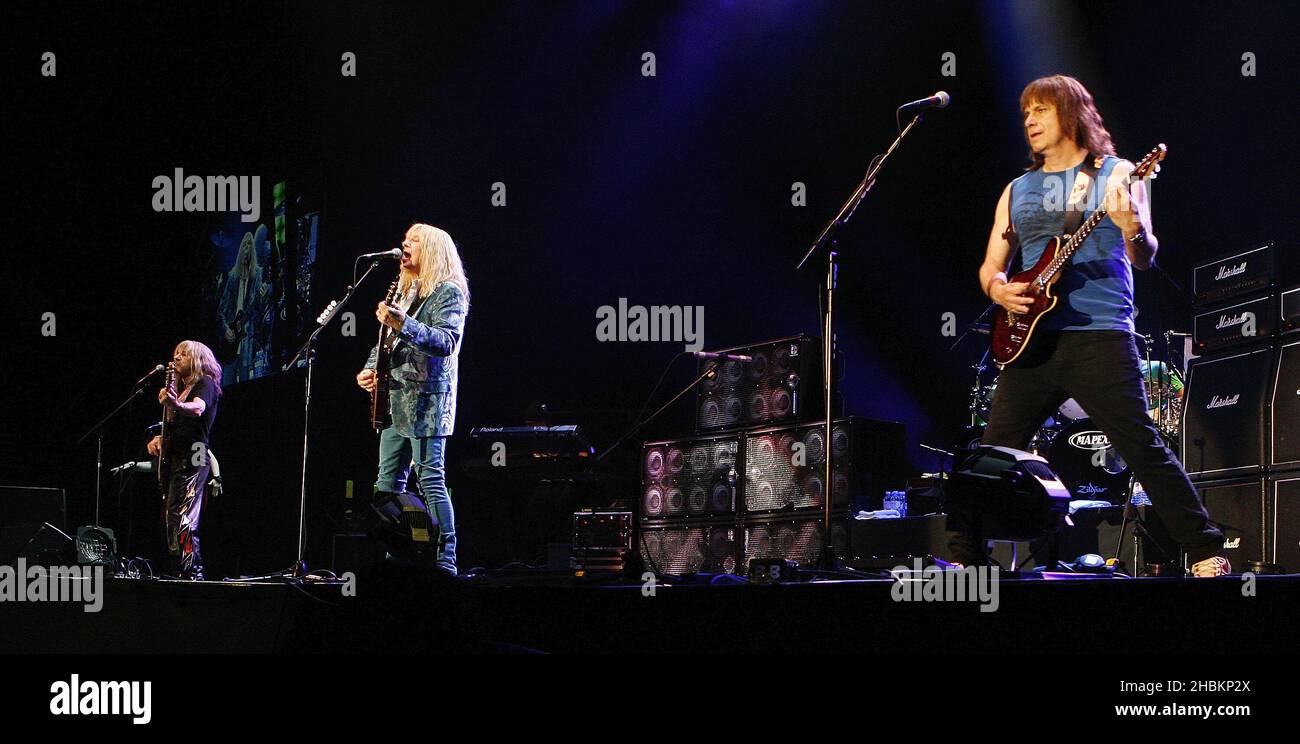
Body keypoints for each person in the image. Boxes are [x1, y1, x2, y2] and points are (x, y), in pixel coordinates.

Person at [963, 74, 1228, 577]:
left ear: (1071, 113)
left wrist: (1131, 225)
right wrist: (998, 290)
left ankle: (1203, 548)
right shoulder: (1017, 189)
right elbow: (991, 266)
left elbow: (1145, 255)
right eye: (1025, 114)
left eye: (1041, 110)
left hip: (1100, 332)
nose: (1030, 122)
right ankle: (966, 559)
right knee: (993, 454)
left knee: (1140, 444)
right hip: (1030, 342)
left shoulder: (1119, 173)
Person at [356, 223, 469, 575]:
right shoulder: (407, 291)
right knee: (387, 483)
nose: (404, 245)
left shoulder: (448, 292)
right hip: (394, 403)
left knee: (431, 478)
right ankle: (396, 555)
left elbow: (446, 342)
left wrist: (404, 323)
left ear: (433, 250)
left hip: (427, 404)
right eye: (404, 240)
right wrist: (370, 369)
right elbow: (385, 343)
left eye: (414, 241)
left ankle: (443, 560)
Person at [147, 340, 223, 580]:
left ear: (198, 359)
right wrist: (159, 438)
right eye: (175, 353)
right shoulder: (181, 388)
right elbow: (178, 424)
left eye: (183, 353)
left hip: (195, 454)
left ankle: (193, 570)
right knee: (172, 514)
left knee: (184, 515)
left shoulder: (205, 383)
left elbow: (198, 409)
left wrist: (176, 404)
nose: (177, 357)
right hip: (178, 455)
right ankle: (179, 567)